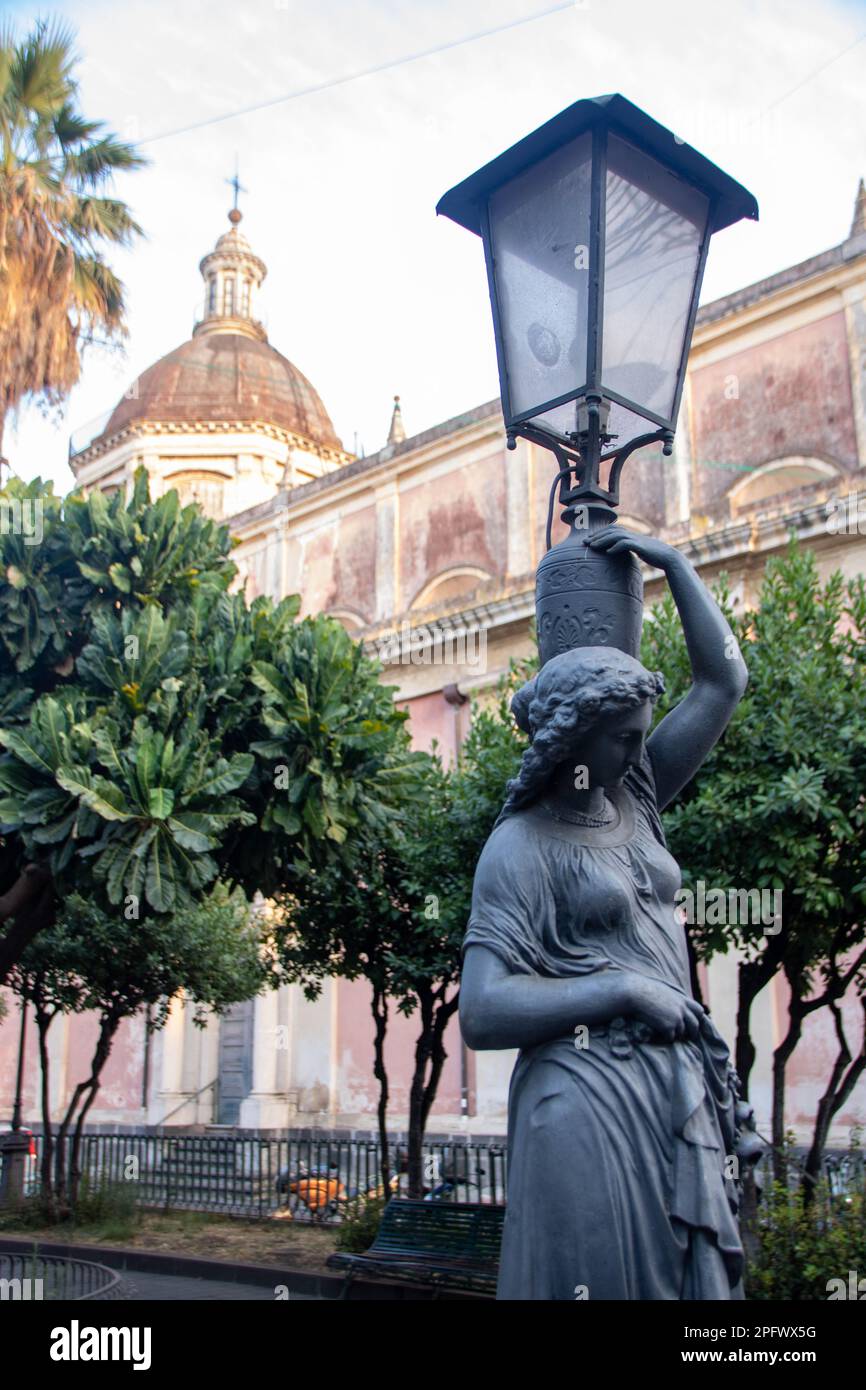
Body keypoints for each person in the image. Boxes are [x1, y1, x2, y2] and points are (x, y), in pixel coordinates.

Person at [459, 524, 750, 1301]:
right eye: (623, 740)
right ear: (573, 739)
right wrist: (620, 991)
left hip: (668, 1084)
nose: (637, 756)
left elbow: (723, 683)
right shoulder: (520, 847)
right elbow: (482, 1011)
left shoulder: (636, 800)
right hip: (580, 1096)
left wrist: (676, 568)